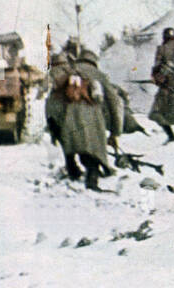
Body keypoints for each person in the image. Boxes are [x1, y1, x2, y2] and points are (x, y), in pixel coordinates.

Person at [49, 46, 122, 191]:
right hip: (92, 118)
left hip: (69, 118)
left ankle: (76, 171)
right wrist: (116, 131)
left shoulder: (67, 74)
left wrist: (55, 127)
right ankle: (92, 180)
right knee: (94, 147)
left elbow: (53, 101)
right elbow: (115, 102)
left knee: (79, 146)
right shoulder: (98, 75)